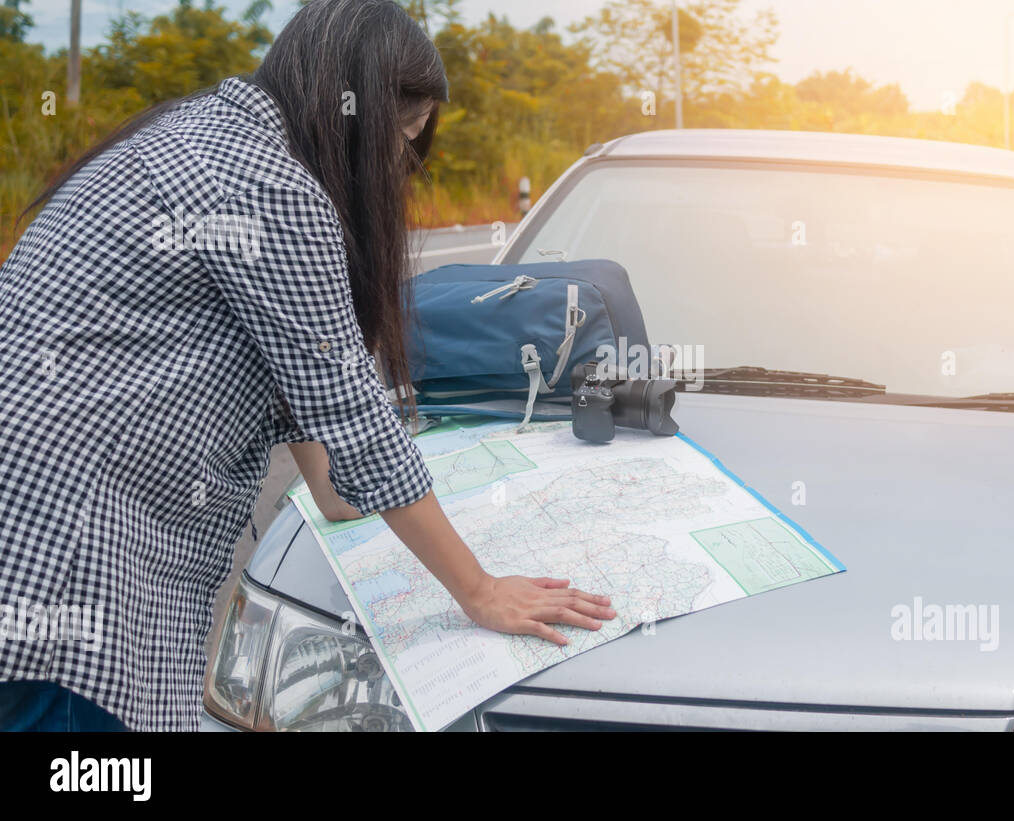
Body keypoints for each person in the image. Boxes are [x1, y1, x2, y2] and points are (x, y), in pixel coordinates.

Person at [0, 0, 615, 732]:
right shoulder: (273, 185)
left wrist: (357, 491)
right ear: (353, 113)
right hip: (64, 562)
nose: (393, 168)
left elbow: (308, 412)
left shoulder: (193, 134)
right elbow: (351, 408)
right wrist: (480, 588)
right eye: (398, 142)